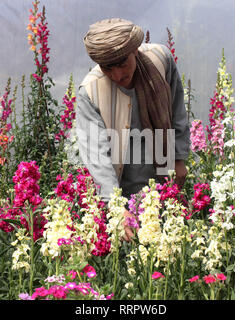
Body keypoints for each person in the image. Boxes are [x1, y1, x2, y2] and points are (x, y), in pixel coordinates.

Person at [76, 18, 190, 240]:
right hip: (122, 185)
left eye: (122, 63)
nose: (118, 75)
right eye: (108, 67)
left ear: (135, 50)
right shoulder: (90, 92)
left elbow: (177, 108)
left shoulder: (161, 60)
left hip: (162, 176)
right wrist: (115, 206)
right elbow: (96, 157)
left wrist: (178, 158)